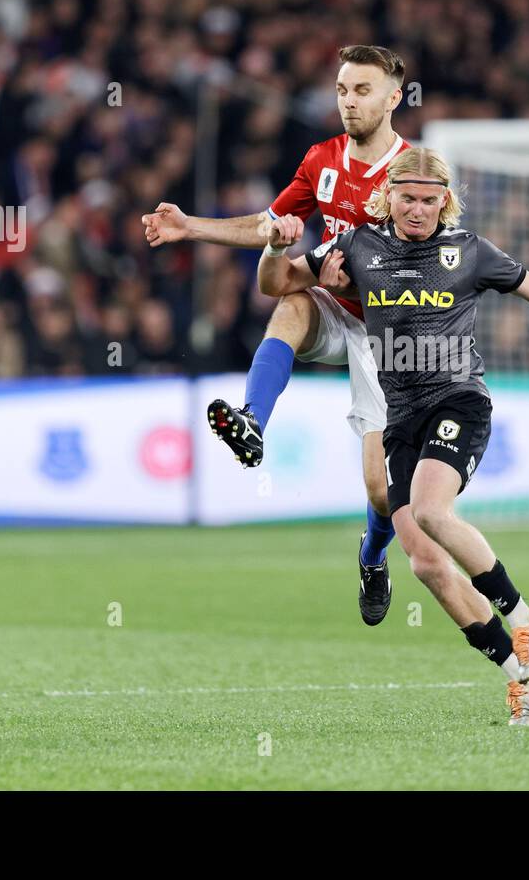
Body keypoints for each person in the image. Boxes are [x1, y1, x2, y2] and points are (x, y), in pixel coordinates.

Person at [260, 146, 529, 725]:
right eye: (408, 197)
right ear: (387, 195)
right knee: (426, 564)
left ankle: (523, 618)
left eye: (429, 199)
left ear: (446, 202)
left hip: (459, 402)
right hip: (401, 420)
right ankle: (520, 675)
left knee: (435, 514)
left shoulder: (468, 253)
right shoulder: (357, 247)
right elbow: (276, 285)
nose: (418, 209)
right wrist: (274, 245)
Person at [142, 45, 411, 626]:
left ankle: (372, 556)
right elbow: (269, 225)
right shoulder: (322, 160)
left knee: (382, 491)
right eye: (342, 90)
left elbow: (438, 266)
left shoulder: (415, 175)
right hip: (336, 307)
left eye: (362, 90)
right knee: (291, 300)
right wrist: (190, 226)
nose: (348, 101)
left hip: (391, 333)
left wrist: (365, 273)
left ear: (393, 98)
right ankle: (253, 421)